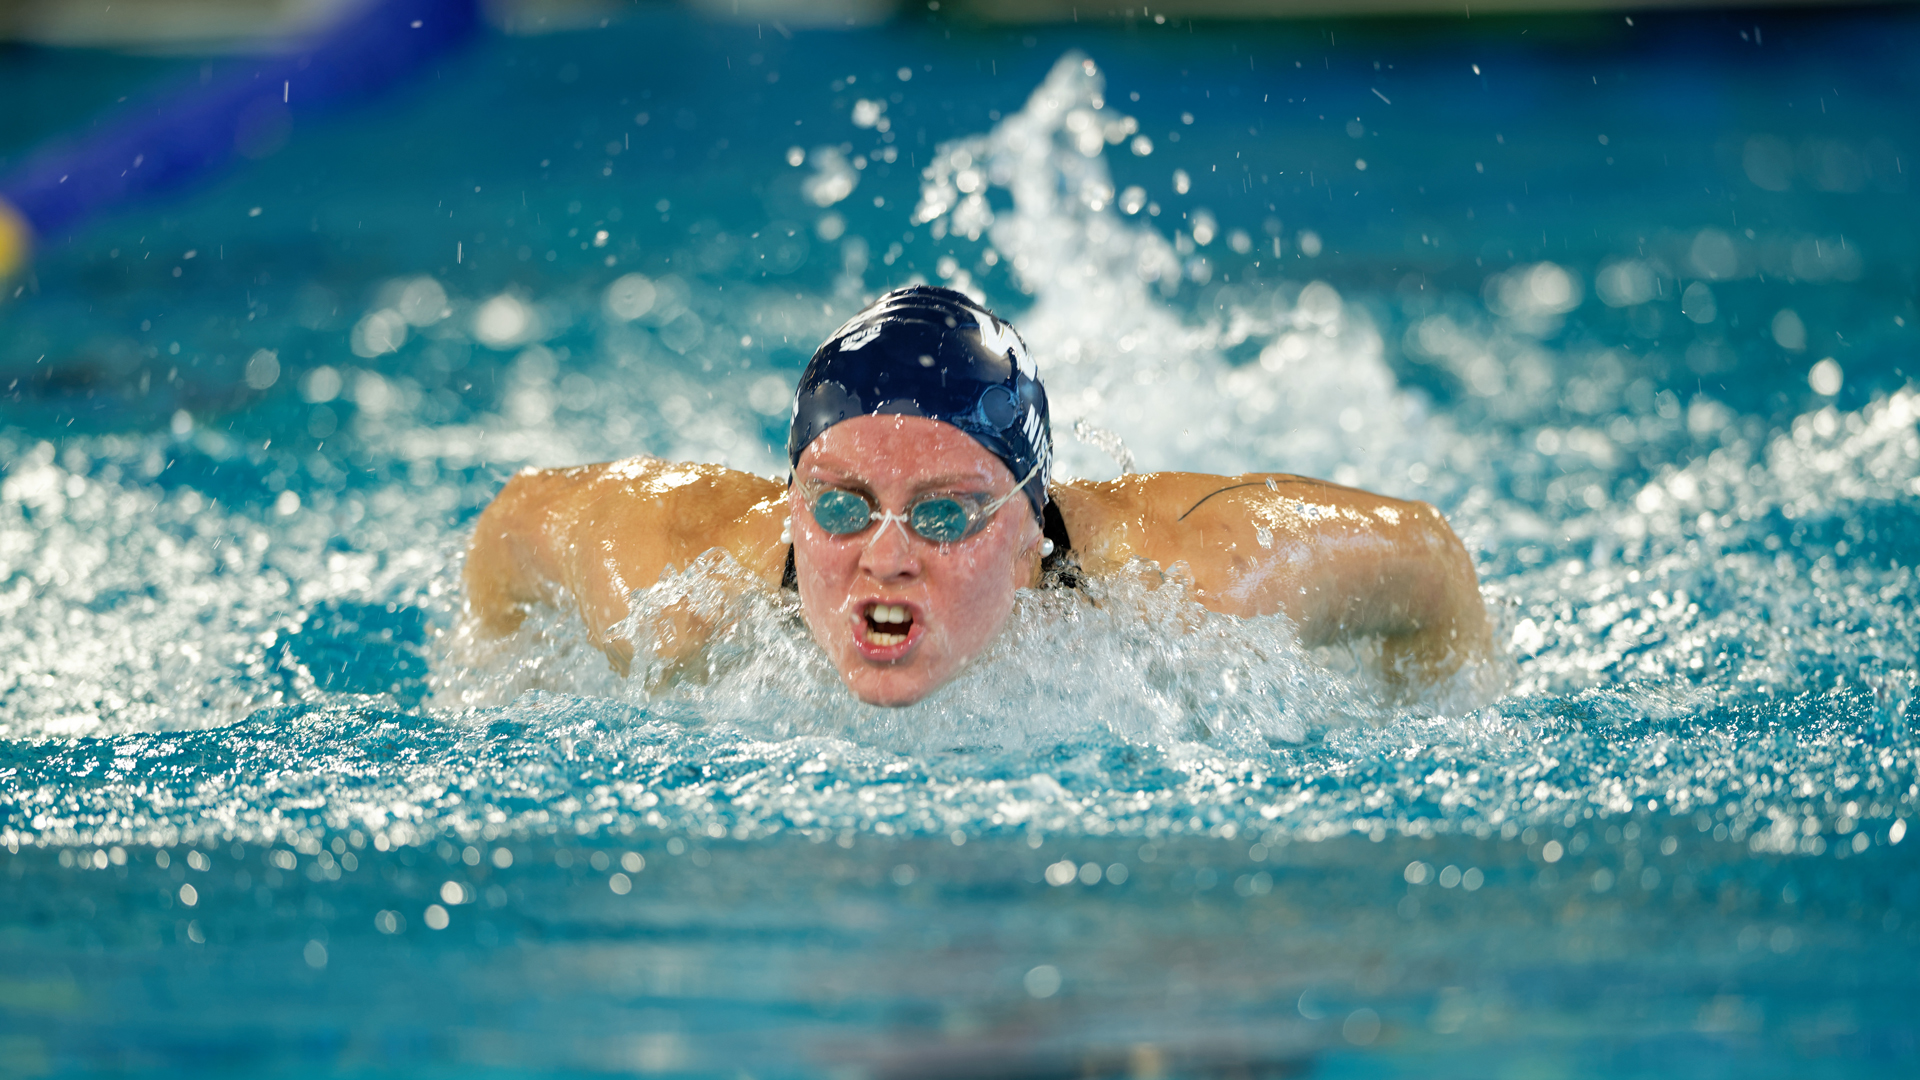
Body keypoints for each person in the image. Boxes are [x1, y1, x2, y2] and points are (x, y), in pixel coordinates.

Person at [463, 285, 1494, 707]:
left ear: (1030, 536)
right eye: (840, 505)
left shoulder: (1207, 578)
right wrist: (498, 686)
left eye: (947, 515)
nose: (886, 556)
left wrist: (1427, 717)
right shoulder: (671, 585)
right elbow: (515, 524)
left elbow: (1431, 560)